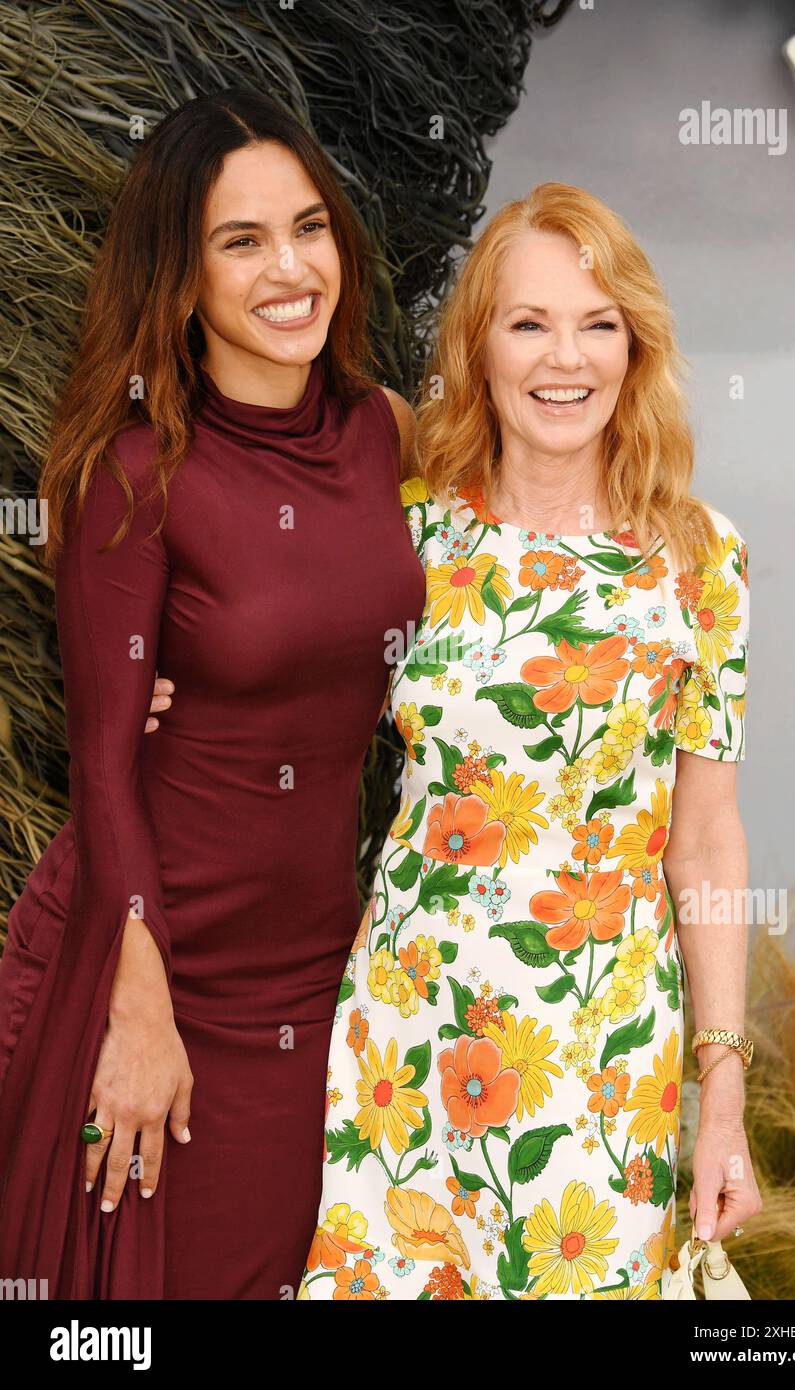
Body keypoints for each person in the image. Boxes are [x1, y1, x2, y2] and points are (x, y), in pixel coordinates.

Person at [295, 182, 762, 1301]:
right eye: (529, 322)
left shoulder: (699, 561)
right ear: (478, 346)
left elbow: (702, 843)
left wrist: (723, 1093)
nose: (567, 359)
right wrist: (172, 685)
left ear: (634, 347)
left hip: (599, 1071)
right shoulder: (404, 539)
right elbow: (281, 708)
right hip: (403, 1047)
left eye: (598, 323)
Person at [0, 87, 424, 1299]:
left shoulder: (387, 435)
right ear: (179, 281)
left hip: (313, 976)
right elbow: (102, 762)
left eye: (309, 228)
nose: (291, 268)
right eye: (241, 242)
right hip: (152, 960)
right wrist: (138, 1015)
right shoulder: (129, 474)